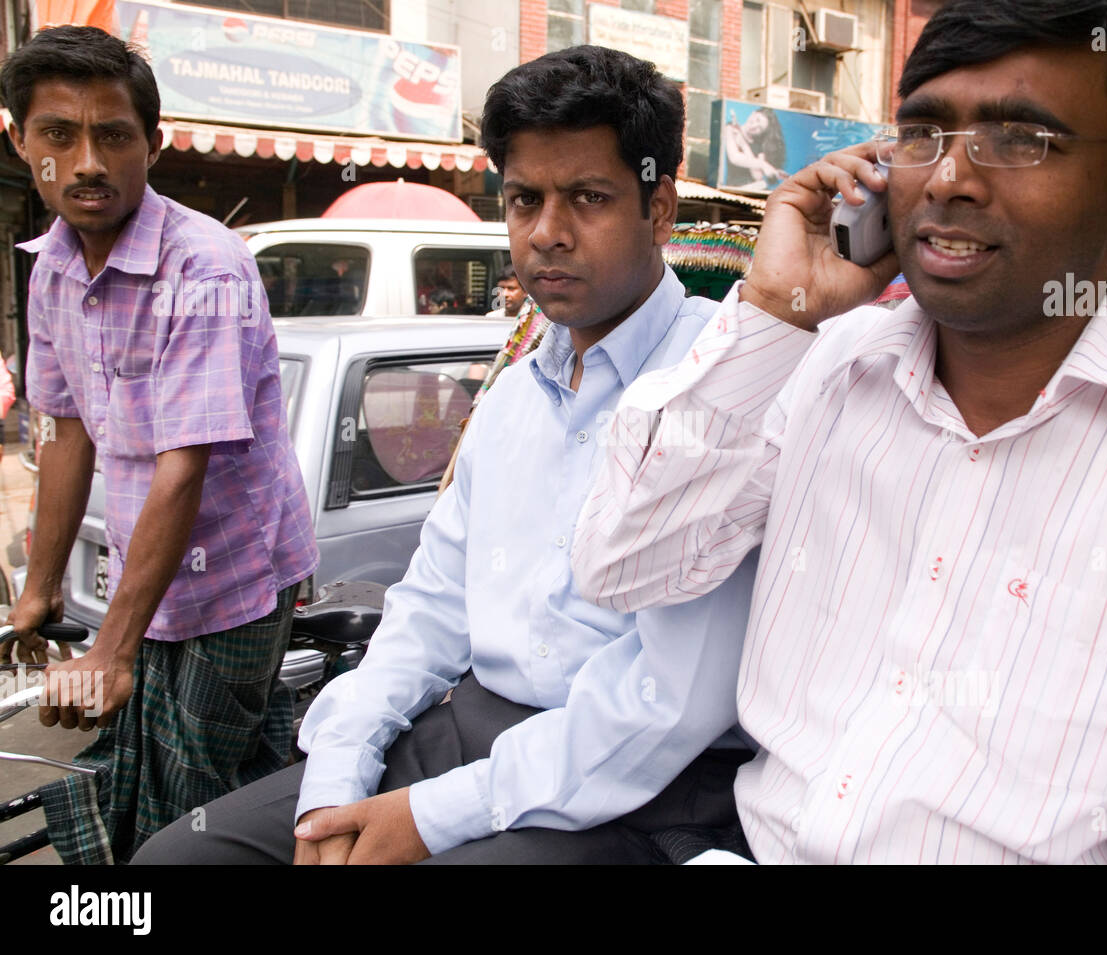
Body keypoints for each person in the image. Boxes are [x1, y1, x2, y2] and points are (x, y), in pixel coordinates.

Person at [573, 0, 1107, 863]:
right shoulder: (823, 367)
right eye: (922, 132)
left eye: (1022, 138)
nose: (949, 177)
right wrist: (775, 312)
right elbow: (624, 564)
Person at [135, 45, 758, 866]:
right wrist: (339, 774)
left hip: (637, 785)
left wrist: (429, 817)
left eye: (589, 198)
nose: (548, 233)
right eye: (524, 199)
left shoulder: (722, 388)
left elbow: (664, 703)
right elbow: (428, 610)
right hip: (464, 730)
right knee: (183, 859)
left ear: (662, 210)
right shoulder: (508, 401)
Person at [0, 25, 317, 861]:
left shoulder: (205, 269)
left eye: (113, 135)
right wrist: (37, 593)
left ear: (154, 144)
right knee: (160, 778)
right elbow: (66, 435)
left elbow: (185, 465)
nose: (87, 162)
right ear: (19, 140)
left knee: (189, 813)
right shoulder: (51, 268)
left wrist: (110, 649)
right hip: (145, 568)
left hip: (232, 576)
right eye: (58, 135)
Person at [723, 107, 787, 190]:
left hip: (754, 188)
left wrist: (744, 146)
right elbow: (734, 158)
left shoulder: (758, 146)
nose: (754, 126)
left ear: (761, 133)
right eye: (757, 119)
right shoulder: (731, 128)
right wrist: (763, 165)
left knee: (762, 184)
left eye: (760, 128)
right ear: (753, 113)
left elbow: (757, 176)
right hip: (735, 187)